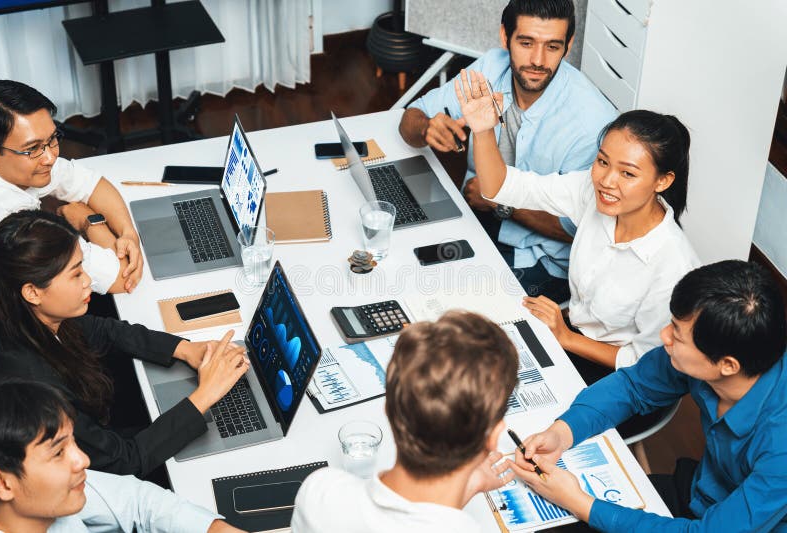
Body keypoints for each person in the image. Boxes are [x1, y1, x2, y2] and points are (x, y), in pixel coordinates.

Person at [456, 70, 701, 384]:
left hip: (616, 373)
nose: (606, 181)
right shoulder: (592, 190)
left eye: (627, 174)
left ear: (663, 181)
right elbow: (501, 187)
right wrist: (484, 130)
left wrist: (566, 338)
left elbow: (644, 363)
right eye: (602, 162)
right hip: (569, 331)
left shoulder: (674, 266)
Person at [509, 260, 787, 531]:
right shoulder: (713, 356)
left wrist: (579, 503)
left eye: (677, 334)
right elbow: (633, 386)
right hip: (700, 493)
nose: (664, 336)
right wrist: (563, 431)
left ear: (727, 365)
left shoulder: (780, 445)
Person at [0, 210, 250, 477]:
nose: (88, 280)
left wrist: (185, 348)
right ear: (32, 292)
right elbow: (125, 460)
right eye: (76, 274)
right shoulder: (36, 390)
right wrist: (206, 395)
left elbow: (102, 330)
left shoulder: (20, 317)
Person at [399, 0, 616, 303]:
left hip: (539, 259)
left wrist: (502, 205)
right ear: (505, 37)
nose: (538, 60)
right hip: (472, 219)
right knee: (403, 266)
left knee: (455, 310)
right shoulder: (491, 66)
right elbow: (411, 116)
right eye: (526, 43)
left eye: (552, 47)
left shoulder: (592, 124)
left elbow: (585, 232)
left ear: (568, 46)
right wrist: (426, 128)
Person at [291, 311, 520, 532]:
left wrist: (466, 488)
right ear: (492, 437)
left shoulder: (320, 493)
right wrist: (464, 490)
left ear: (389, 409)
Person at [0, 378, 246, 533]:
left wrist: (214, 528)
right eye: (58, 453)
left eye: (72, 443)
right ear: (0, 483)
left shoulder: (50, 496)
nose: (83, 461)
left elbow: (137, 500)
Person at [0, 79, 142, 295]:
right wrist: (89, 221)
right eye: (32, 148)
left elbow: (91, 184)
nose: (50, 157)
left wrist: (129, 233)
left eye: (52, 139)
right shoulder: (9, 215)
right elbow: (121, 278)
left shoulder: (21, 161)